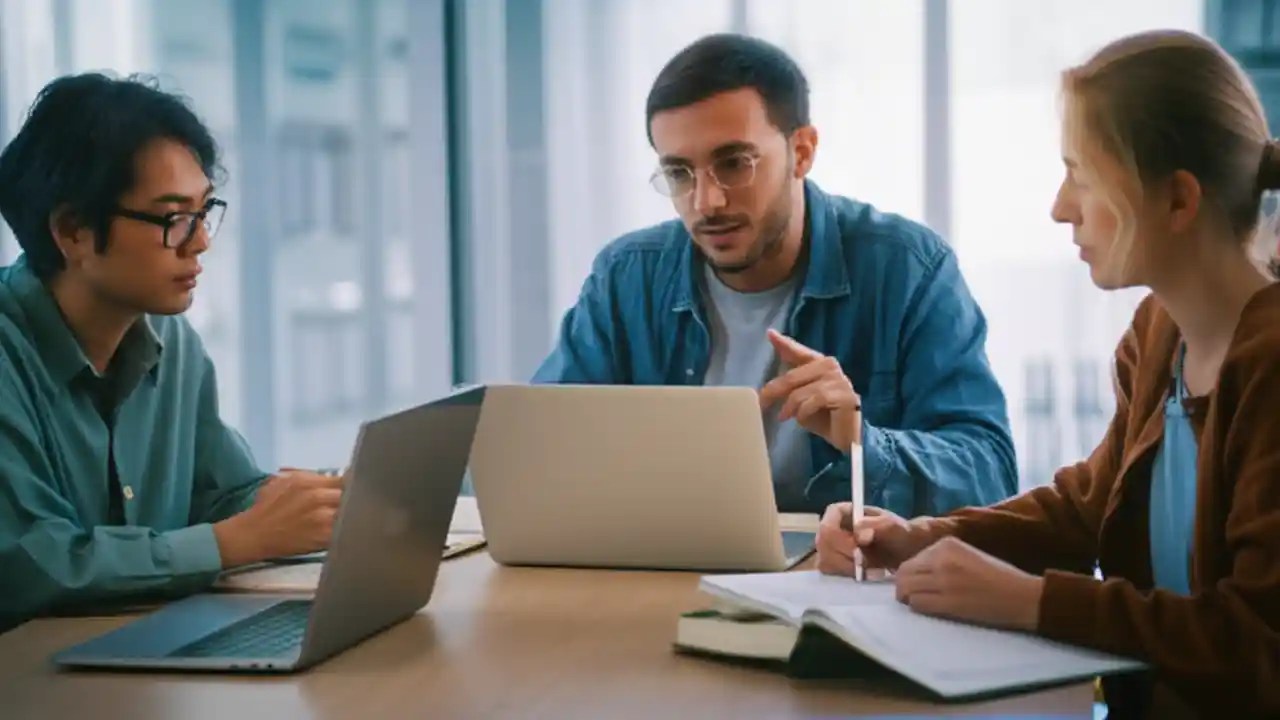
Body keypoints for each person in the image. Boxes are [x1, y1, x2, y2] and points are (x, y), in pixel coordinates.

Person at [816, 30, 1280, 719]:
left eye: (1082, 177)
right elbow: (1088, 508)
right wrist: (923, 536)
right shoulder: (1158, 335)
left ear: (1180, 201)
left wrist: (1034, 603)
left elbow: (1257, 644)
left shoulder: (1270, 367)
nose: (1061, 208)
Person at [533, 34, 1016, 516]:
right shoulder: (626, 278)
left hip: (831, 582)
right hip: (666, 575)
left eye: (734, 164)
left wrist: (862, 444)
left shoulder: (908, 269)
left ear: (802, 152)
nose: (706, 203)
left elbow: (990, 475)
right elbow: (540, 450)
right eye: (680, 173)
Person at [0, 74, 342, 632]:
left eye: (204, 212)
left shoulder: (170, 339)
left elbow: (223, 494)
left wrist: (311, 502)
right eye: (173, 218)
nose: (201, 240)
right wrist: (236, 540)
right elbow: (32, 565)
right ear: (73, 230)